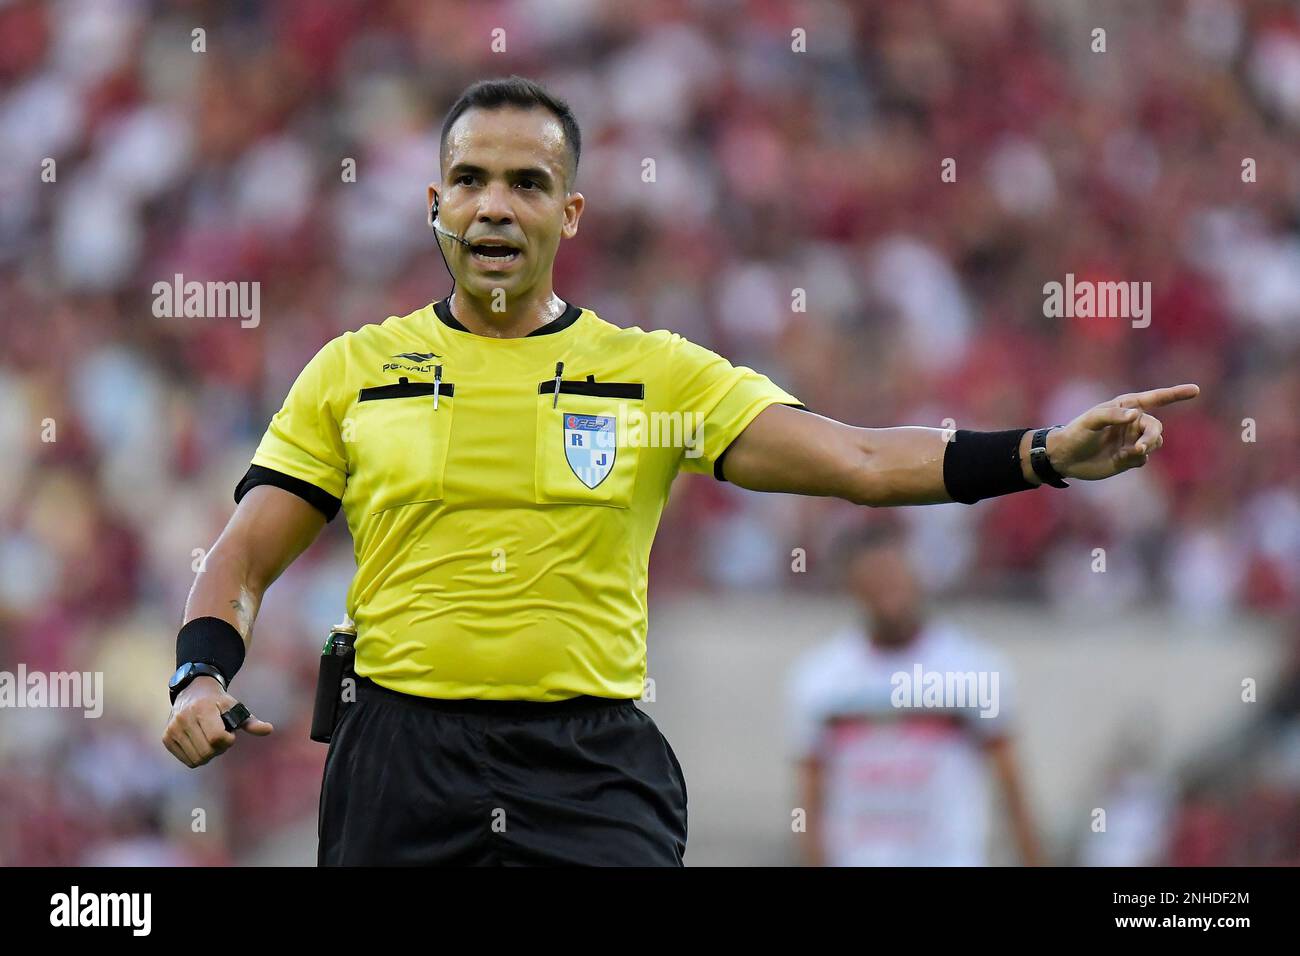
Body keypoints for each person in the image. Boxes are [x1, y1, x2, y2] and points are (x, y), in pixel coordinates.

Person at [160, 75, 1199, 866]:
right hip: (398, 755)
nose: (492, 206)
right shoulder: (353, 371)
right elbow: (244, 553)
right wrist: (201, 669)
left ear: (568, 214)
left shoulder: (652, 374)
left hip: (588, 761)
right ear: (434, 200)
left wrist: (1042, 454)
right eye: (471, 179)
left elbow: (861, 461)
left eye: (527, 183)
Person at [787, 523, 1040, 866]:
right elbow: (809, 804)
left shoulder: (973, 668)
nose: (887, 593)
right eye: (874, 582)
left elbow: (1012, 790)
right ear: (853, 588)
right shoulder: (821, 678)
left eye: (893, 578)